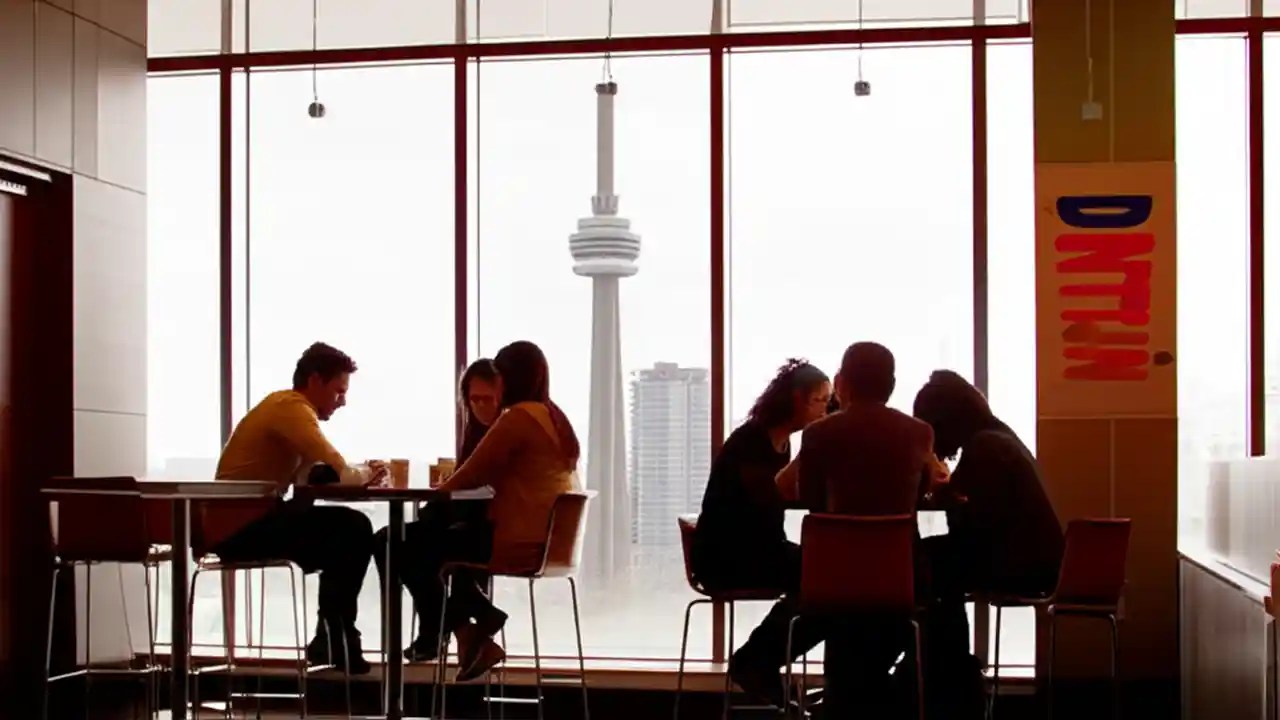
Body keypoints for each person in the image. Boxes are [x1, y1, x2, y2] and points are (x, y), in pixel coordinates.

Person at [377, 341, 580, 680]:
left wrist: (435, 493)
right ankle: (468, 625)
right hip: (548, 541)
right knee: (422, 543)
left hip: (513, 541)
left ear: (509, 378)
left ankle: (464, 629)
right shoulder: (554, 417)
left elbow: (469, 475)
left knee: (392, 543)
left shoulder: (518, 418)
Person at [209, 342, 384, 674]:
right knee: (353, 529)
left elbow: (309, 481)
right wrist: (370, 472)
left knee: (348, 533)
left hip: (248, 521)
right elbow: (341, 469)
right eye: (339, 391)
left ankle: (332, 636)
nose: (343, 401)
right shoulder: (292, 409)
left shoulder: (285, 410)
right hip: (237, 528)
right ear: (316, 381)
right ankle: (335, 636)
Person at [792, 341, 936, 718]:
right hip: (899, 577)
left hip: (834, 577)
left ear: (844, 383)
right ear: (890, 384)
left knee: (832, 610)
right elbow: (920, 496)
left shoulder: (819, 434)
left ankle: (845, 697)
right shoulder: (919, 433)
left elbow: (809, 498)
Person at [912, 369, 1065, 719]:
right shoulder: (997, 438)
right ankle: (943, 673)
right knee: (933, 566)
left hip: (1018, 565)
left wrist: (939, 491)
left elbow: (974, 525)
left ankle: (941, 675)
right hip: (1031, 559)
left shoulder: (986, 447)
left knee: (921, 564)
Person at [690, 360, 830, 706]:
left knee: (831, 577)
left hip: (760, 548)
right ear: (797, 399)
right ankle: (755, 661)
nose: (826, 409)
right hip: (729, 555)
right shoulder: (752, 441)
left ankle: (762, 660)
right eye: (820, 401)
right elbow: (770, 495)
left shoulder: (780, 441)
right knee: (829, 580)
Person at [375, 358, 501, 662]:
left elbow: (469, 484)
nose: (481, 407)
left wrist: (439, 501)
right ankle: (456, 624)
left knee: (393, 543)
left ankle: (439, 630)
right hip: (475, 525)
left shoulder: (505, 429)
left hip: (490, 532)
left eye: (488, 399)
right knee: (394, 540)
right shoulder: (478, 433)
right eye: (474, 400)